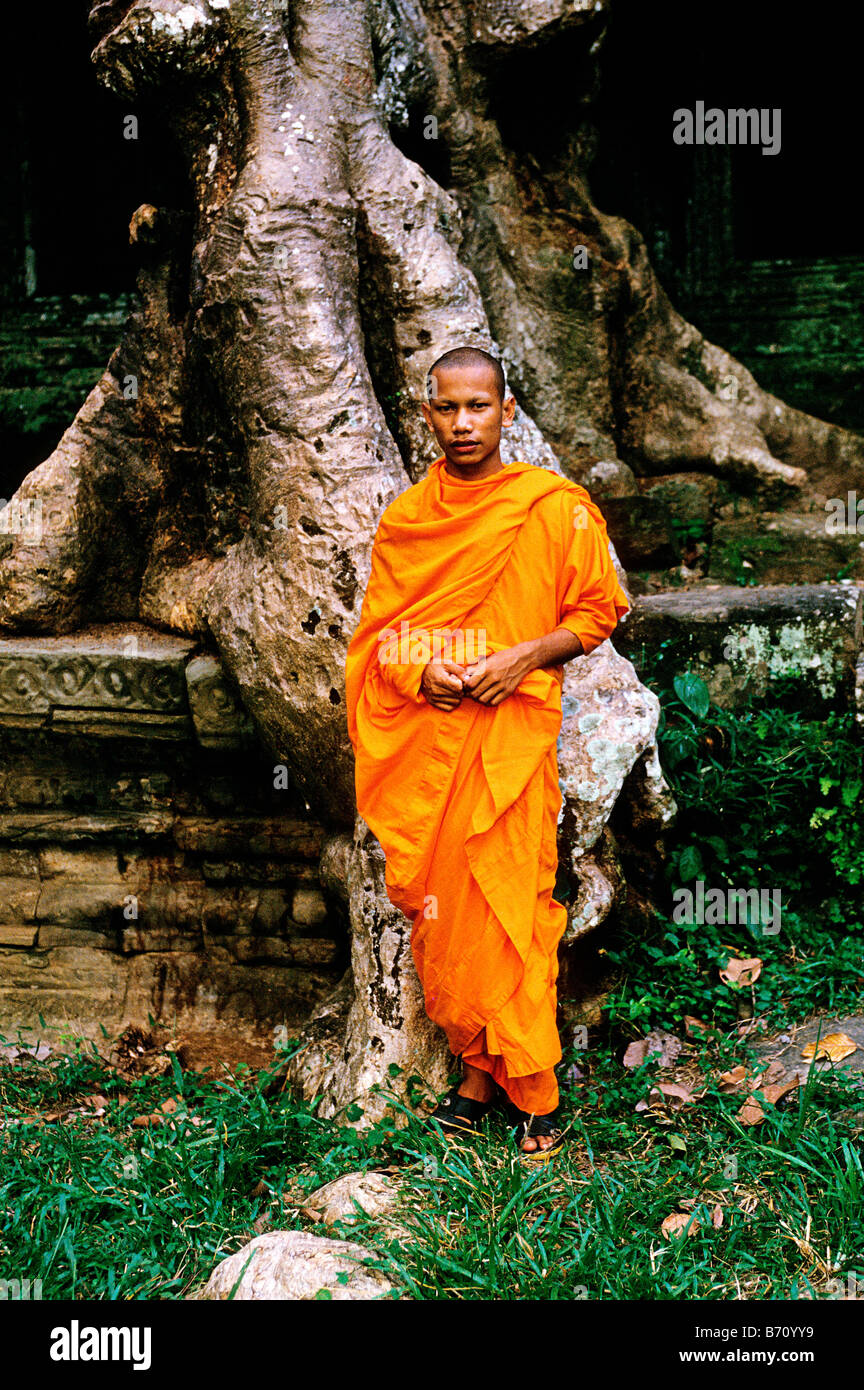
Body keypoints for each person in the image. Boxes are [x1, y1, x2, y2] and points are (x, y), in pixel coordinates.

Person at [344, 346, 629, 1160]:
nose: (463, 423)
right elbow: (377, 642)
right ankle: (477, 1075)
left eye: (479, 407)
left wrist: (526, 655)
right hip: (434, 744)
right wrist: (418, 668)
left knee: (508, 906)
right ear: (425, 415)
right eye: (447, 408)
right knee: (447, 920)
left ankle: (535, 1087)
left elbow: (600, 610)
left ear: (508, 412)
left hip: (511, 740)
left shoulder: (553, 506)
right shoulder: (408, 521)